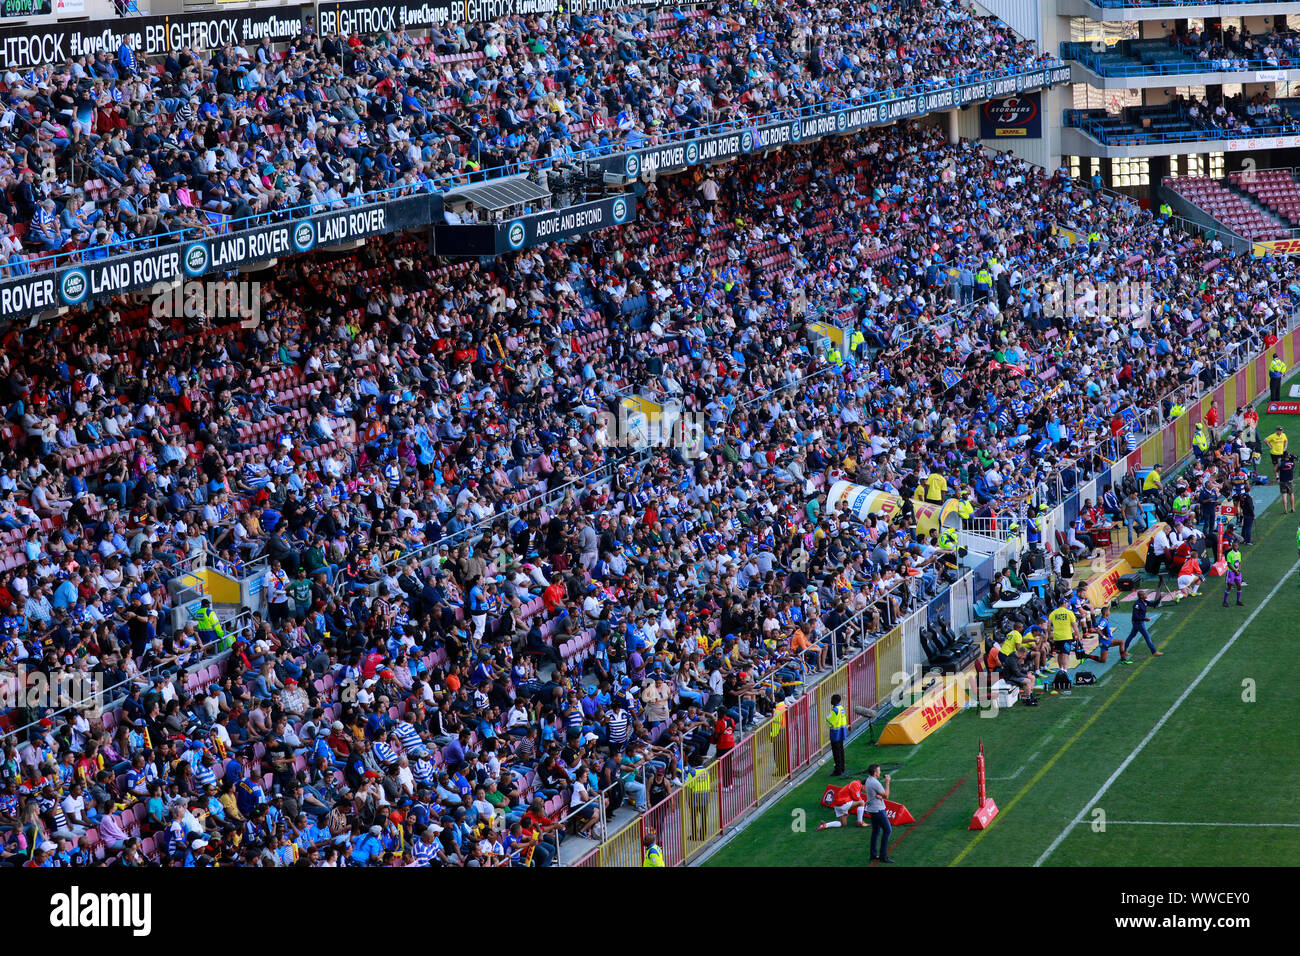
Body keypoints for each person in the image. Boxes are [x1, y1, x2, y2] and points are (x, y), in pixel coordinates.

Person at [864, 764, 894, 863]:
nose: (880, 772)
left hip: (872, 809)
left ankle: (873, 854)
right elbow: (886, 796)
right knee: (888, 830)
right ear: (875, 773)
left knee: (876, 832)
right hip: (878, 810)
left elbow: (874, 794)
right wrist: (887, 783)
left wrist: (879, 796)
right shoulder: (875, 783)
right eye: (879, 771)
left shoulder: (869, 780)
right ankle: (883, 856)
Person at [1122, 591, 1161, 661]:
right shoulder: (1137, 605)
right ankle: (1154, 651)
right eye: (1144, 594)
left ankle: (1124, 650)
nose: (1146, 595)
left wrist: (1159, 599)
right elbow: (1135, 616)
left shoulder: (1144, 602)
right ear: (1141, 596)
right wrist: (1145, 619)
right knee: (1147, 636)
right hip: (1138, 623)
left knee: (1131, 636)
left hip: (1140, 622)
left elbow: (1153, 604)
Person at [1047, 600, 1080, 680]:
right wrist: (1078, 634)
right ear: (1064, 604)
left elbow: (1049, 626)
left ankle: (1061, 669)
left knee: (1059, 654)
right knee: (1066, 654)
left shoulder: (1053, 613)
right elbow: (1074, 625)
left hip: (1057, 637)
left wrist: (1049, 636)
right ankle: (1065, 671)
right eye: (1066, 603)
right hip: (1066, 636)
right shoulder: (1069, 613)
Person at [826, 693, 847, 777]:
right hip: (841, 733)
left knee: (836, 752)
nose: (831, 701)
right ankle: (842, 768)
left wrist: (828, 720)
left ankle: (838, 770)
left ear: (835, 701)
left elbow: (829, 721)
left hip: (836, 734)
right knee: (841, 751)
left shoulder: (835, 710)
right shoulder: (841, 708)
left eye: (832, 699)